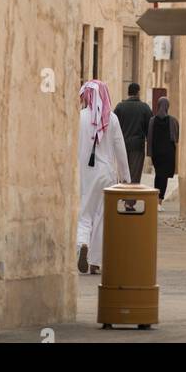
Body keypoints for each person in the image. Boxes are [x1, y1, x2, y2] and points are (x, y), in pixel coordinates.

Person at [76, 79, 129, 275]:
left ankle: (82, 243)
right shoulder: (112, 119)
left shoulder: (79, 118)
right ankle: (95, 261)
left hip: (85, 173)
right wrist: (126, 179)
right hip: (106, 173)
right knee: (101, 216)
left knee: (84, 213)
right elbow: (120, 150)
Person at [114, 83, 152, 184]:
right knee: (134, 175)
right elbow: (150, 128)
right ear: (138, 92)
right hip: (137, 147)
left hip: (121, 145)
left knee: (123, 173)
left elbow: (113, 126)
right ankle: (130, 199)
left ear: (128, 92)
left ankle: (123, 194)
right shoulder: (144, 108)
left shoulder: (120, 107)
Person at [147, 96, 179, 201]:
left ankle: (157, 198)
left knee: (158, 174)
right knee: (164, 176)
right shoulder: (173, 120)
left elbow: (150, 137)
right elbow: (176, 137)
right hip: (168, 153)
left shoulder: (152, 120)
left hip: (156, 154)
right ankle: (160, 199)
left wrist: (150, 153)